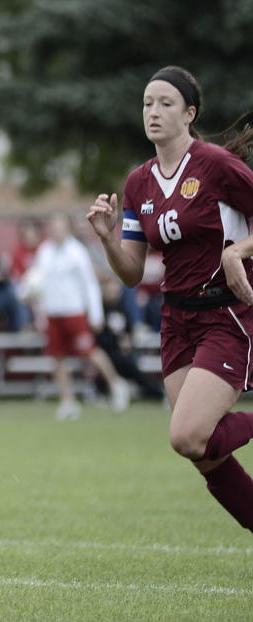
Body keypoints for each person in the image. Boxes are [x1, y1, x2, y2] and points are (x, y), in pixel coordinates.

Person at [87, 66, 253, 533]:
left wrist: (238, 251)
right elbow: (133, 271)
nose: (153, 112)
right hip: (176, 319)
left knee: (187, 436)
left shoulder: (216, 165)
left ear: (189, 113)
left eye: (165, 103)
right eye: (147, 103)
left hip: (225, 314)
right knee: (204, 456)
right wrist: (106, 239)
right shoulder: (138, 182)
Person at [32, 213, 129, 420]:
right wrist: (39, 311)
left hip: (74, 311)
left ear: (66, 229)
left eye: (60, 227)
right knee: (57, 358)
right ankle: (67, 401)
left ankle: (117, 385)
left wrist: (95, 313)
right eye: (53, 227)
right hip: (53, 313)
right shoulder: (45, 251)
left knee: (89, 352)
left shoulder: (77, 252)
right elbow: (38, 282)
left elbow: (90, 285)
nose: (56, 231)